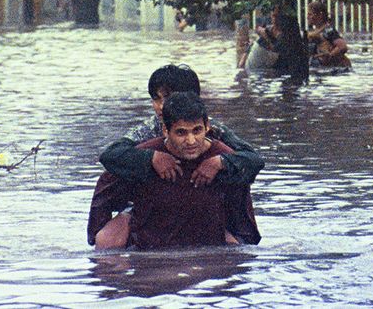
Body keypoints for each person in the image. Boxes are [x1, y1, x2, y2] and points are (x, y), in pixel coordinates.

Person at [93, 64, 264, 248]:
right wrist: (152, 158)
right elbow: (111, 156)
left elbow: (253, 160)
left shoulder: (211, 130)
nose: (159, 106)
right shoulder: (150, 129)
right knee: (107, 240)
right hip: (149, 207)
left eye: (167, 98)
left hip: (204, 207)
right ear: (167, 131)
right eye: (155, 99)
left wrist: (219, 162)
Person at [250, 6, 309, 78]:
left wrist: (266, 37)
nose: (275, 19)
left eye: (278, 17)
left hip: (285, 70)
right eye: (273, 16)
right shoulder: (268, 31)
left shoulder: (288, 36)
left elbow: (277, 51)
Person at [306, 1, 351, 68]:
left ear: (320, 15)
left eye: (310, 14)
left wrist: (330, 55)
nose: (307, 17)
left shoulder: (329, 30)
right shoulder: (314, 32)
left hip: (336, 70)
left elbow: (343, 46)